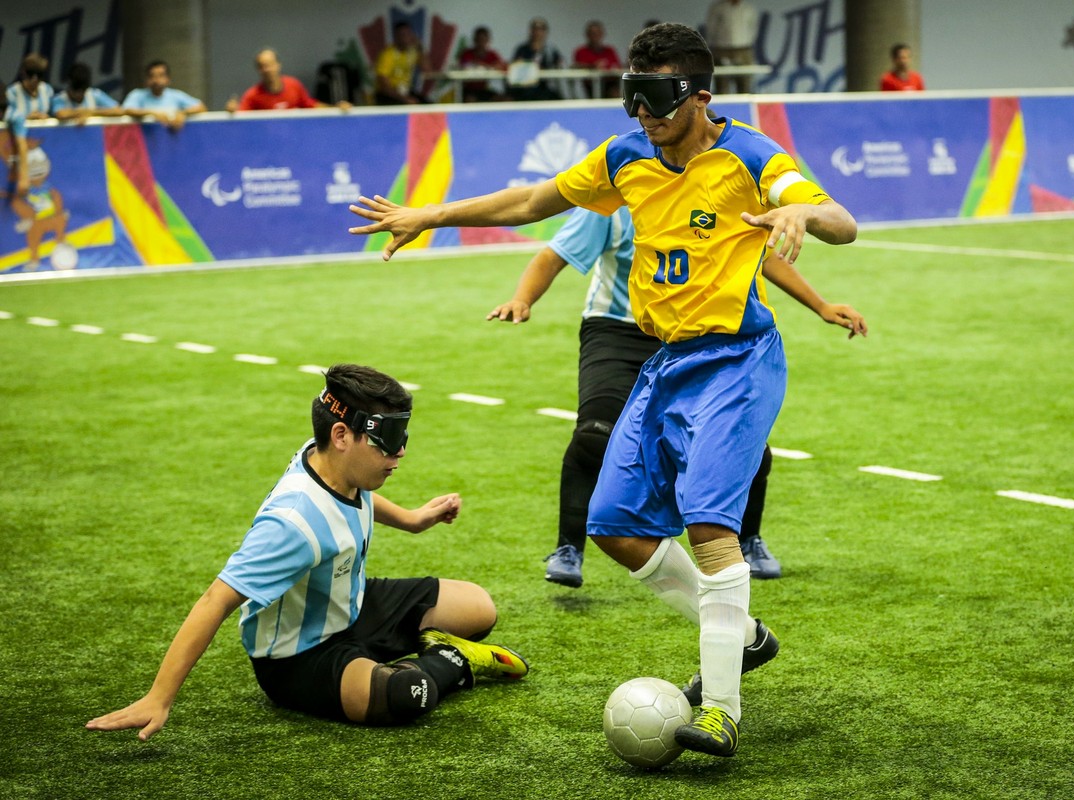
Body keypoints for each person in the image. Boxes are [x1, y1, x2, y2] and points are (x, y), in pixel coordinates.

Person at [348, 23, 857, 758]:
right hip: (664, 360)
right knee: (613, 524)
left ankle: (720, 709)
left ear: (699, 96)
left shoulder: (751, 156)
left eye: (654, 97)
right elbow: (533, 201)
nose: (641, 114)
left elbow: (842, 223)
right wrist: (432, 214)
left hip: (739, 362)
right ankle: (738, 634)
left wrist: (802, 212)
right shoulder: (627, 157)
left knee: (710, 527)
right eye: (631, 96)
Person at [85, 364, 529, 740]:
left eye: (402, 437)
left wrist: (414, 520)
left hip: (349, 605)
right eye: (388, 442)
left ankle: (414, 650)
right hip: (300, 657)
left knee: (479, 608)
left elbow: (357, 494)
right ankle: (452, 659)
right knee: (407, 694)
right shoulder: (292, 523)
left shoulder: (328, 460)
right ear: (341, 435)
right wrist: (158, 698)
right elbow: (215, 600)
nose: (400, 453)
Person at [487, 207, 866, 588]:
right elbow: (552, 255)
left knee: (746, 446)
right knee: (594, 433)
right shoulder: (611, 206)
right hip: (616, 333)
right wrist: (523, 299)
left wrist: (821, 305)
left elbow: (759, 255)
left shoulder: (710, 193)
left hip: (693, 335)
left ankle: (748, 540)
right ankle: (568, 549)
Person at [229, 49, 352, 112]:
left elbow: (311, 105)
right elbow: (240, 116)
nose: (267, 69)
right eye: (262, 66)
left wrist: (336, 108)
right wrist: (231, 111)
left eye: (270, 64)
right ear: (258, 70)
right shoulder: (252, 95)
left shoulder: (294, 85)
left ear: (278, 65)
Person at [4, 54, 54, 198]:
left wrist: (47, 118)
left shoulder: (48, 91)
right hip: (17, 153)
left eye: (40, 75)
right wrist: (27, 117)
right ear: (23, 73)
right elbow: (17, 129)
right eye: (31, 74)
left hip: (46, 154)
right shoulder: (11, 94)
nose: (35, 79)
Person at [122, 60, 208, 130]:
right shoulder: (137, 94)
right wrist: (152, 113)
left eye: (161, 76)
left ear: (168, 79)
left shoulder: (176, 95)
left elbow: (201, 107)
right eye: (152, 76)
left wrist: (182, 114)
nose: (156, 80)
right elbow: (127, 110)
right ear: (147, 79)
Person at [705, 0, 759, 94]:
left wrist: (747, 43)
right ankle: (723, 107)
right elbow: (711, 28)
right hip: (722, 49)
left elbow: (753, 28)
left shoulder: (748, 8)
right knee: (722, 84)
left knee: (744, 83)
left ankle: (744, 105)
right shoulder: (718, 8)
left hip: (743, 50)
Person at [374, 20, 430, 105]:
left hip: (405, 91)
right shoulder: (387, 54)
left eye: (409, 34)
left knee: (430, 106)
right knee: (407, 106)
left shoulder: (413, 52)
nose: (407, 38)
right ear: (396, 37)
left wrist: (420, 48)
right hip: (388, 94)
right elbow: (384, 86)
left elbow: (427, 71)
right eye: (403, 35)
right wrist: (405, 99)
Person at [509, 17, 564, 101]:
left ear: (545, 32)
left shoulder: (551, 50)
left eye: (541, 30)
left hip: (545, 88)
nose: (537, 32)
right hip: (525, 89)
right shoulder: (522, 49)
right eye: (535, 29)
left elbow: (560, 65)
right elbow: (516, 68)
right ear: (531, 31)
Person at [50, 62, 125, 123]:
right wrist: (80, 113)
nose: (78, 95)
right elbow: (60, 114)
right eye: (75, 90)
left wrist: (91, 113)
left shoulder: (95, 95)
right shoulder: (59, 99)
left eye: (82, 91)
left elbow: (118, 110)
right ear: (69, 84)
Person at [457, 25, 508, 103]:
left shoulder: (492, 54)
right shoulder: (467, 54)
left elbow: (502, 66)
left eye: (484, 40)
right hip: (469, 90)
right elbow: (464, 66)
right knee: (470, 100)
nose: (481, 43)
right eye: (479, 40)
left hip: (484, 90)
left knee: (504, 99)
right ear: (474, 40)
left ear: (488, 41)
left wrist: (485, 66)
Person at [572, 20, 622, 98]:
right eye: (592, 33)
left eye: (598, 33)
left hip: (610, 84)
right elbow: (576, 67)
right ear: (587, 35)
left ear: (602, 34)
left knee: (615, 93)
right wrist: (592, 66)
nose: (595, 36)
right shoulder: (581, 51)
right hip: (589, 87)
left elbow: (617, 66)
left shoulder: (610, 50)